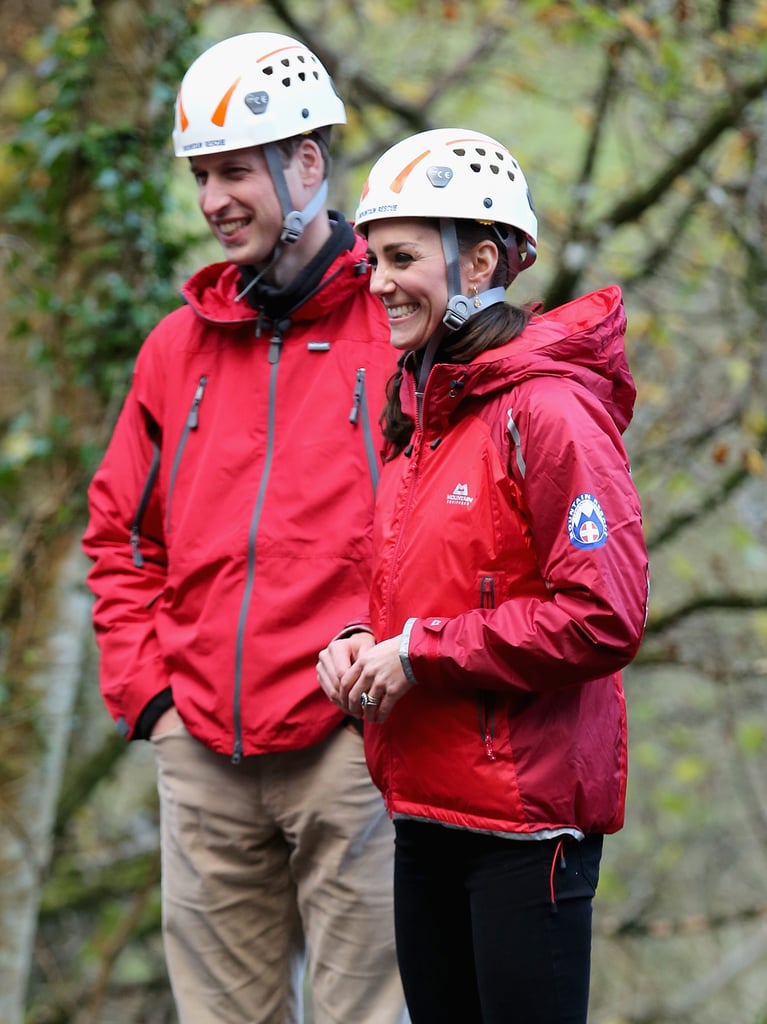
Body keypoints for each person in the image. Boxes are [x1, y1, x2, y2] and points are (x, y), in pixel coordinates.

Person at [82, 32, 408, 1024]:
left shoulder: (397, 330)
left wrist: (382, 687)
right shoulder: (175, 348)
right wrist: (153, 701)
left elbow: (453, 527)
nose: (213, 199)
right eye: (201, 176)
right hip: (201, 751)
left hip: (352, 749)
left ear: (305, 163)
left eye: (234, 172)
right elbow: (120, 536)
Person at [317, 127, 650, 1024]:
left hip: (525, 829)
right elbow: (421, 592)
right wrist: (359, 644)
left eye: (402, 258)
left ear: (480, 263)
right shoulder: (420, 416)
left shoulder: (550, 411)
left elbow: (603, 616)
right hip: (422, 809)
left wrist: (417, 654)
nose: (378, 282)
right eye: (373, 260)